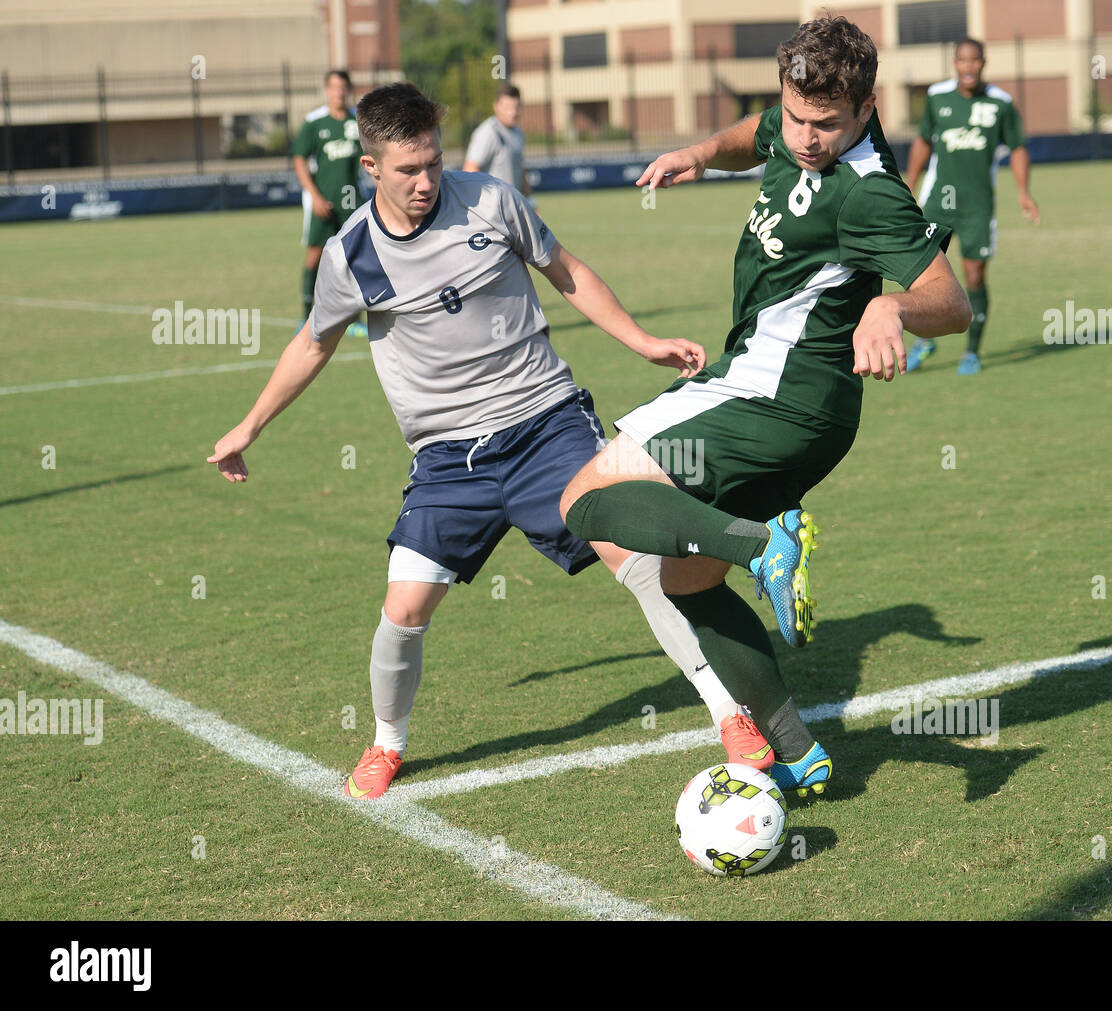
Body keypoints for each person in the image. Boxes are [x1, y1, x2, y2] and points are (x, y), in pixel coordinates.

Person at [209, 82, 772, 800]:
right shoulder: (351, 256)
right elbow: (313, 344)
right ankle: (387, 744)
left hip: (547, 425)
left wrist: (642, 340)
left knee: (634, 556)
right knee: (404, 607)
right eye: (407, 169)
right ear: (370, 166)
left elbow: (564, 269)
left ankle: (732, 714)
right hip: (448, 459)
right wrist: (248, 425)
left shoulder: (490, 200)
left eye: (432, 164)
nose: (424, 181)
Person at [559, 17, 971, 799]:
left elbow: (949, 302)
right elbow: (759, 134)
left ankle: (763, 543)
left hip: (774, 394)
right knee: (686, 582)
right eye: (797, 116)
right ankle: (799, 751)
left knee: (583, 503)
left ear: (868, 107)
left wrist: (891, 308)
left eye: (827, 124)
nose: (808, 137)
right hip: (791, 405)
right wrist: (698, 154)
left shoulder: (869, 191)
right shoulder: (794, 122)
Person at [903, 37, 1039, 376]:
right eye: (962, 61)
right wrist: (910, 182)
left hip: (978, 205)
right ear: (955, 63)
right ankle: (924, 340)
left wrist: (1023, 192)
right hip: (939, 200)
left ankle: (972, 352)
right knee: (921, 275)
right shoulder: (937, 97)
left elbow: (1019, 149)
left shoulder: (1001, 103)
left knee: (975, 275)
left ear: (983, 62)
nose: (968, 67)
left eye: (974, 60)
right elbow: (922, 142)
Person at [293, 70, 366, 337]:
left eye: (343, 87)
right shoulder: (315, 122)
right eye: (334, 87)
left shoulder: (357, 121)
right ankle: (305, 317)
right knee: (314, 256)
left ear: (349, 90)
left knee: (354, 259)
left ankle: (354, 320)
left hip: (352, 201)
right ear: (327, 90)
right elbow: (299, 159)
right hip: (323, 201)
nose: (339, 92)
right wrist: (314, 195)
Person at [463, 84, 533, 201]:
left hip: (512, 204)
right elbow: (470, 169)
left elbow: (521, 170)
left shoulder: (518, 132)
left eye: (516, 107)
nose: (513, 112)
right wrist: (484, 203)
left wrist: (532, 202)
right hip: (493, 209)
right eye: (507, 107)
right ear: (496, 106)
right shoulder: (488, 132)